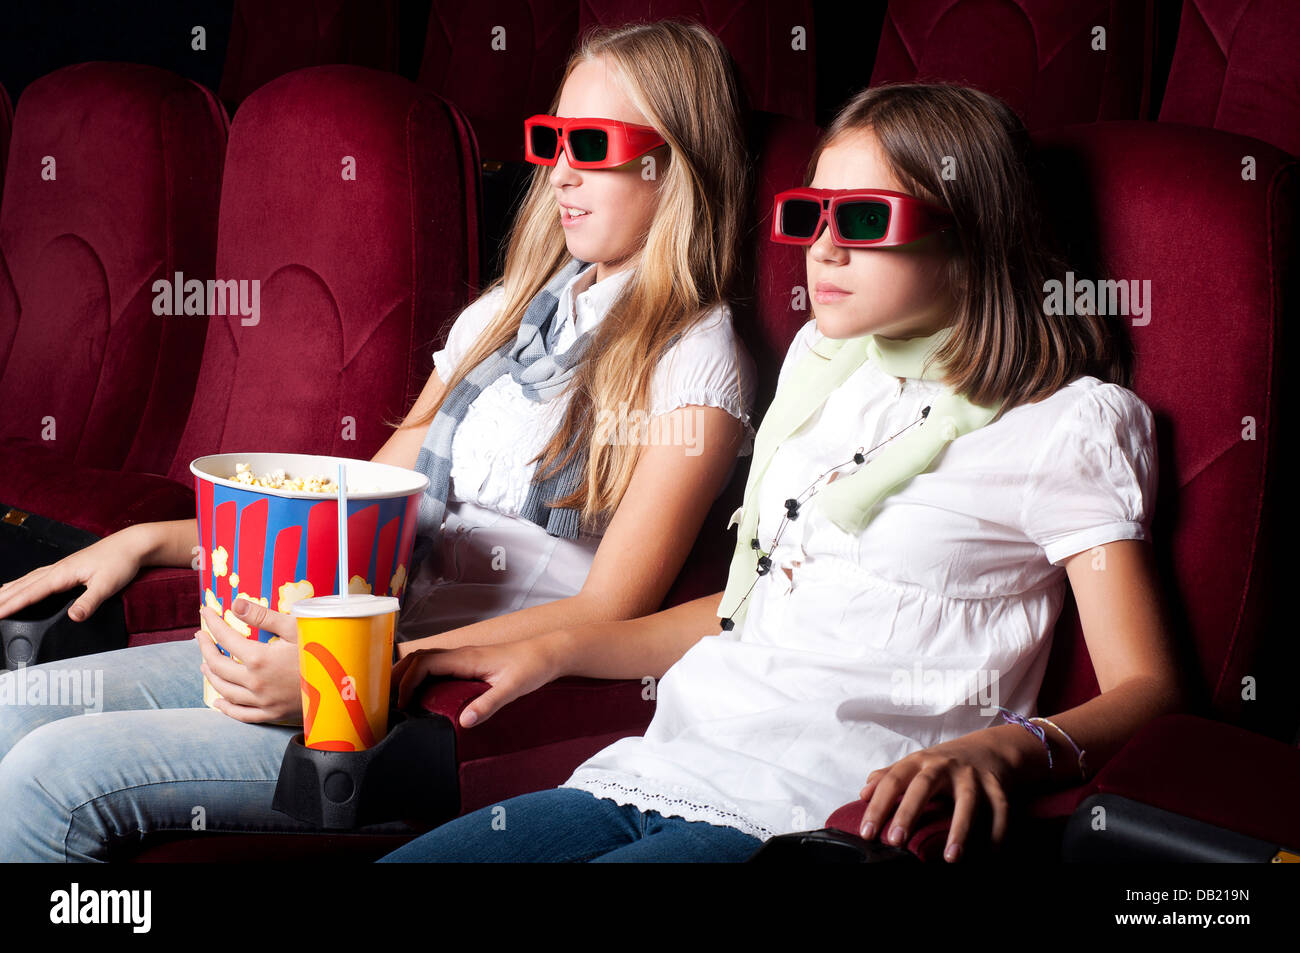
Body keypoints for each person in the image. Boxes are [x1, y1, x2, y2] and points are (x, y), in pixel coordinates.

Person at [0, 19, 757, 861]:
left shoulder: (695, 358)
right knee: (13, 710)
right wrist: (153, 541)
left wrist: (353, 673)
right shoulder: (510, 311)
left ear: (676, 162)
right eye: (551, 140)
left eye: (593, 143)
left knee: (45, 780)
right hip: (357, 635)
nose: (562, 171)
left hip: (430, 695)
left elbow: (607, 610)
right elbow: (363, 498)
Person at [376, 82, 1185, 864]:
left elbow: (1150, 687)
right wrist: (558, 650)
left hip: (813, 811)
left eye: (865, 219)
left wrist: (1008, 747)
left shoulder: (1069, 424)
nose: (824, 248)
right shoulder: (825, 368)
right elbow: (746, 618)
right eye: (812, 214)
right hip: (659, 765)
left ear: (972, 234)